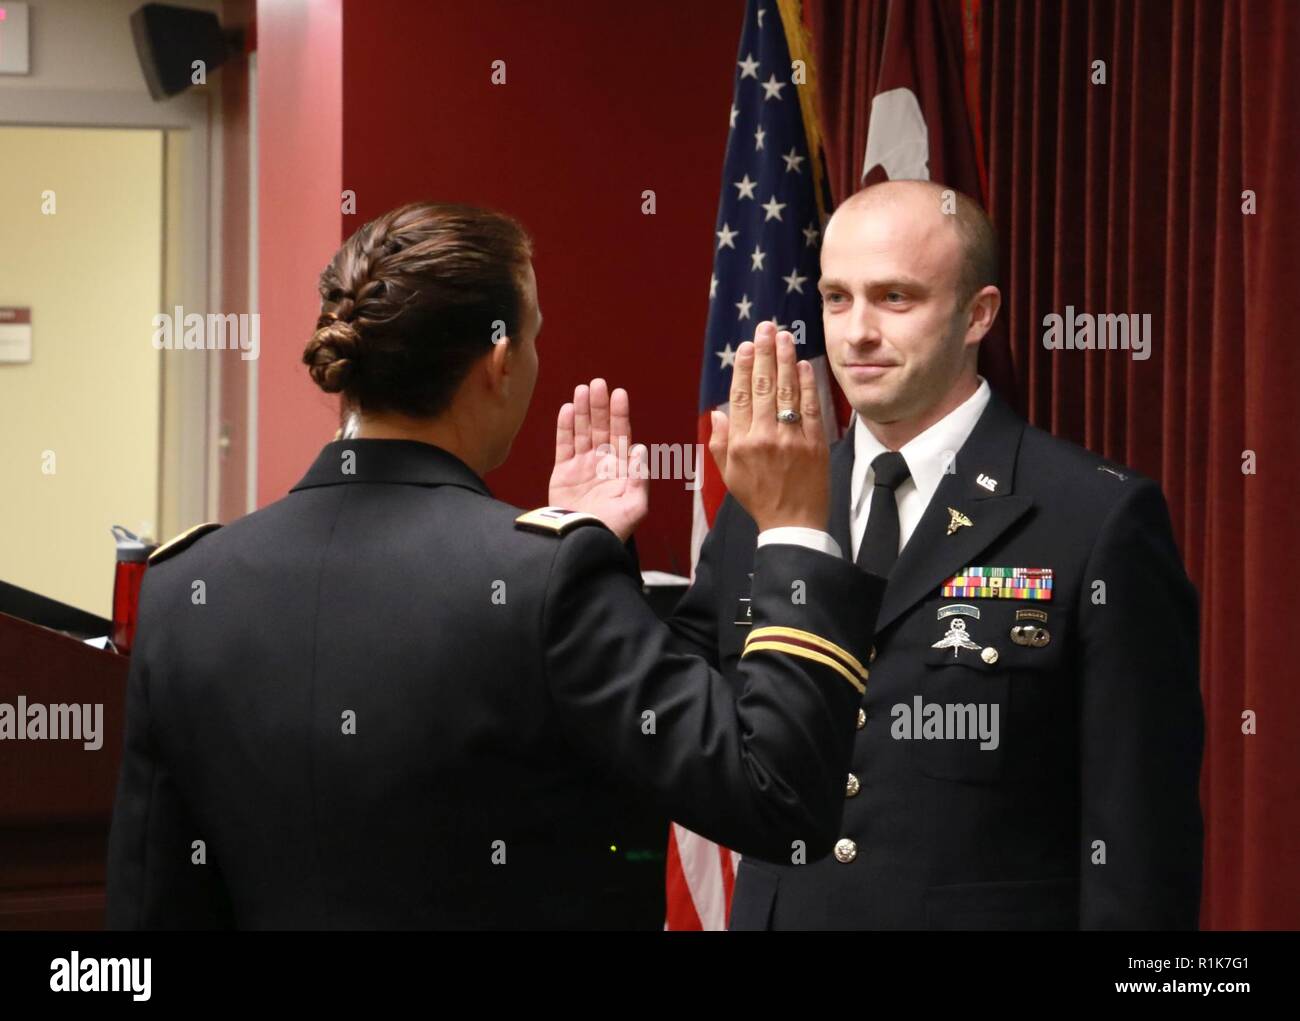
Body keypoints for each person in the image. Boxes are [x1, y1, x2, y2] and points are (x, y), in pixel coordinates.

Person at [104, 201, 884, 929]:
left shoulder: (182, 589)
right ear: (499, 359)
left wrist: (587, 559)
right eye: (535, 332)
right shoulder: (542, 581)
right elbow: (778, 799)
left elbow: (150, 906)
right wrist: (790, 530)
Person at [663, 180, 1204, 929]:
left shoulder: (1096, 516)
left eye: (895, 298)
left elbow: (1141, 840)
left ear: (978, 313)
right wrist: (588, 554)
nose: (855, 333)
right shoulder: (767, 501)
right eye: (837, 296)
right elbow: (680, 727)